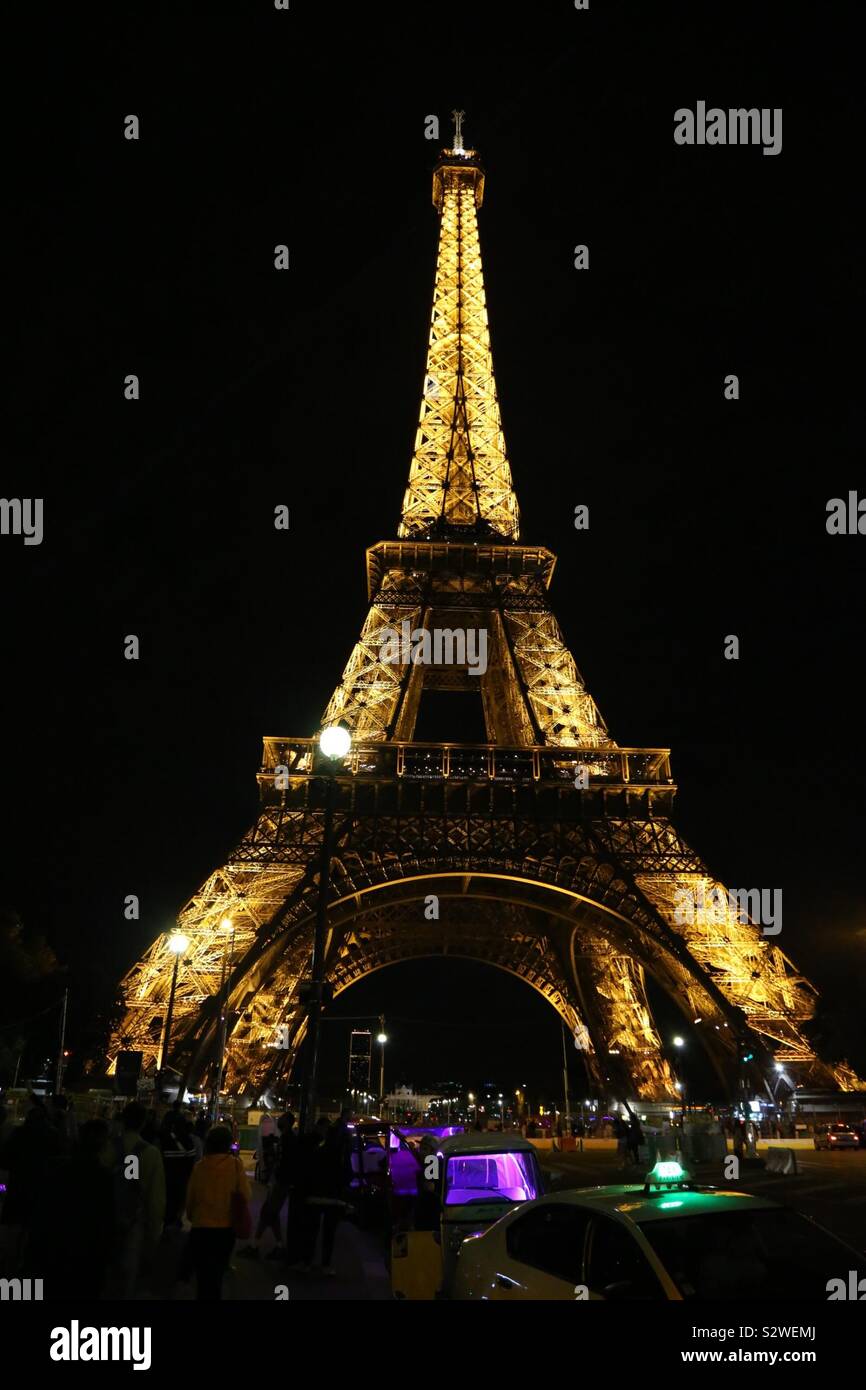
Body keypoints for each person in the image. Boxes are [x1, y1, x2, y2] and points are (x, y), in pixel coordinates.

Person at [30, 1119, 116, 1299]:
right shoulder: (105, 1180)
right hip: (87, 1260)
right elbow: (106, 1225)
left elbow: (42, 1216)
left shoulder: (57, 1171)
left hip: (54, 1254)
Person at [184, 1124, 251, 1300]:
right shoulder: (236, 1166)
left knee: (202, 1276)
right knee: (217, 1274)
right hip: (225, 1228)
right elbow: (245, 1194)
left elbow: (191, 1198)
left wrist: (192, 1217)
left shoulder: (200, 1167)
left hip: (201, 1227)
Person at [112, 1100, 166, 1298]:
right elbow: (156, 1198)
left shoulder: (107, 1148)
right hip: (134, 1221)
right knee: (128, 1274)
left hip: (105, 1220)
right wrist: (154, 1230)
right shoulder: (150, 1153)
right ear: (144, 1122)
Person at [295, 1118, 351, 1277]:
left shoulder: (318, 1151)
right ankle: (325, 1264)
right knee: (329, 1234)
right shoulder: (340, 1153)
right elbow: (345, 1174)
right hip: (333, 1198)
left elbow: (309, 1173)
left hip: (315, 1196)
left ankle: (307, 1262)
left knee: (311, 1231)